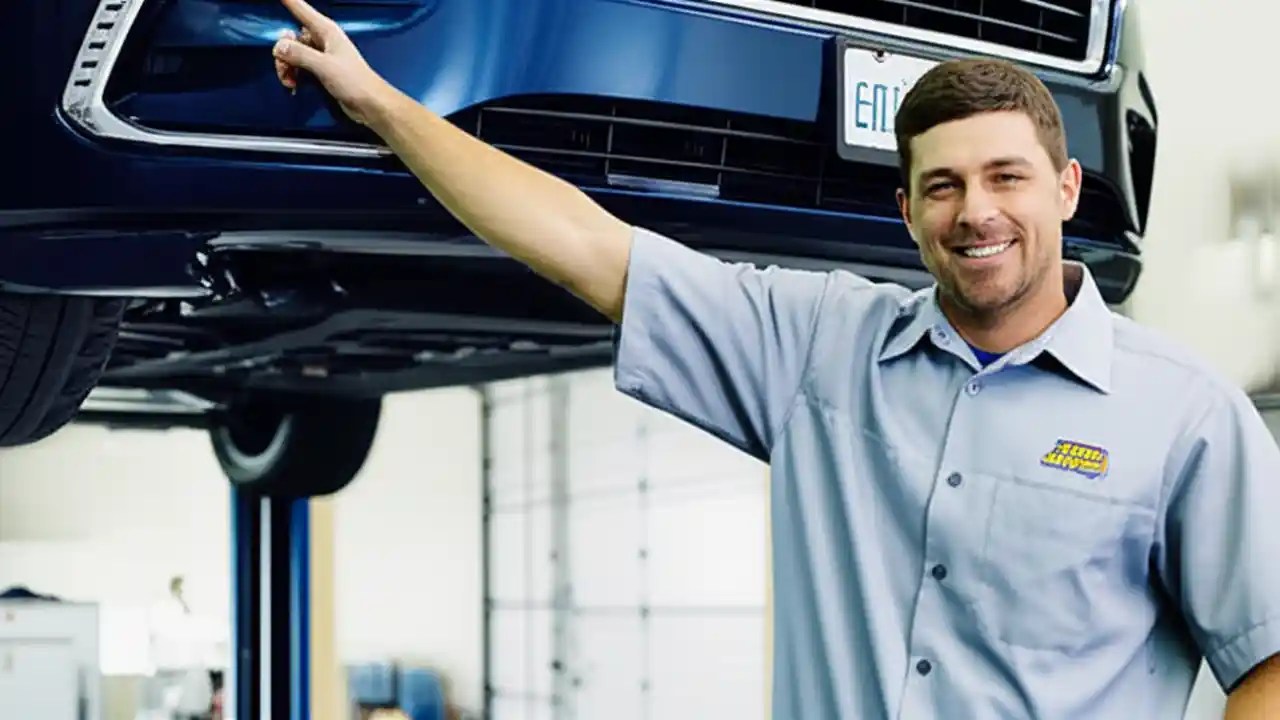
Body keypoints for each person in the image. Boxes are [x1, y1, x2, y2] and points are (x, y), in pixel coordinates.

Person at [269, 0, 1280, 716]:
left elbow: (1266, 662)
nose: (974, 212)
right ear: (905, 211)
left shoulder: (1183, 417)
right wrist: (382, 105)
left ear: (1063, 187)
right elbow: (581, 243)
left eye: (1004, 177)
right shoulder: (818, 347)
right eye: (940, 187)